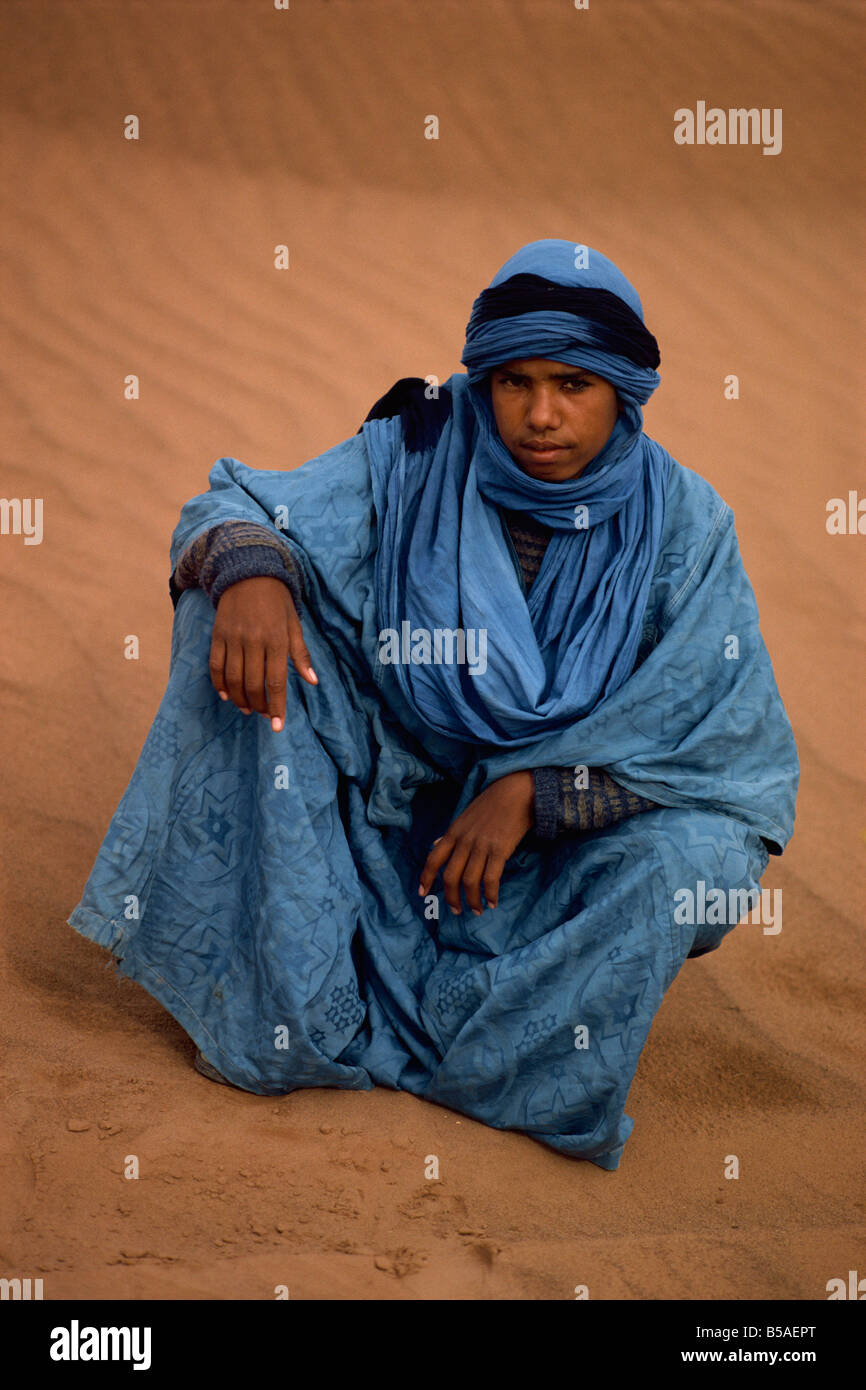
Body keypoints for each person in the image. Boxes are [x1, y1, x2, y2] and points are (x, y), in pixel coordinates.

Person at [68, 238, 799, 1171]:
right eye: (514, 382)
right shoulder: (418, 448)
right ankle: (302, 990)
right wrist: (252, 571)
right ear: (483, 381)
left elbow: (730, 750)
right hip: (392, 824)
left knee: (705, 856)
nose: (540, 415)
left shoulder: (686, 526)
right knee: (233, 601)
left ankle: (502, 1058)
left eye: (573, 385)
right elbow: (240, 507)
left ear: (623, 393)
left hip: (545, 859)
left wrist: (541, 792)